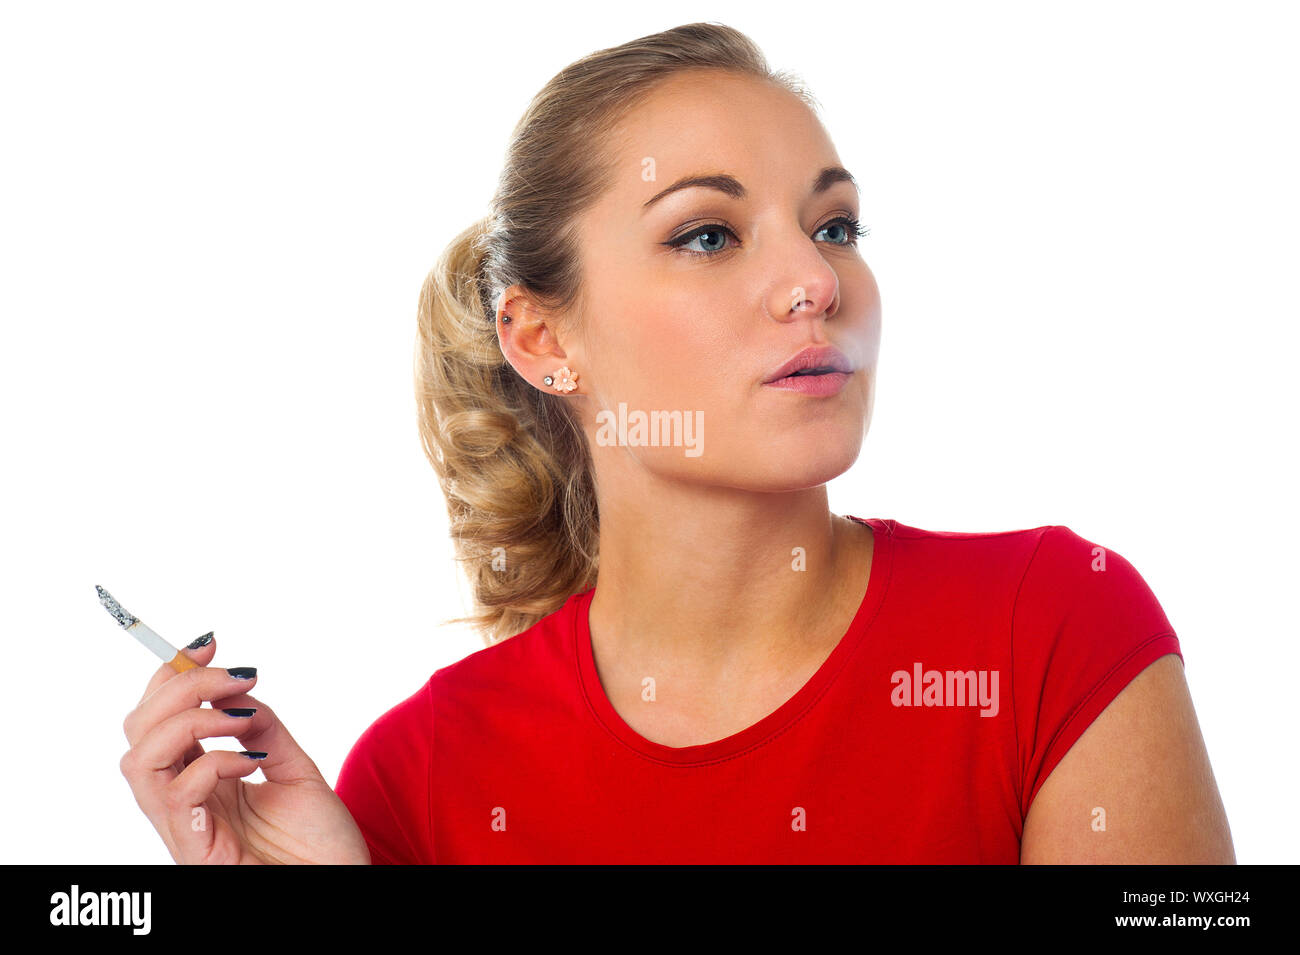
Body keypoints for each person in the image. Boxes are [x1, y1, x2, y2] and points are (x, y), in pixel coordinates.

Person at [119, 22, 1234, 864]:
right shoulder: (417, 782)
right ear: (544, 336)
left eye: (833, 225)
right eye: (707, 234)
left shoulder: (1054, 631)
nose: (814, 281)